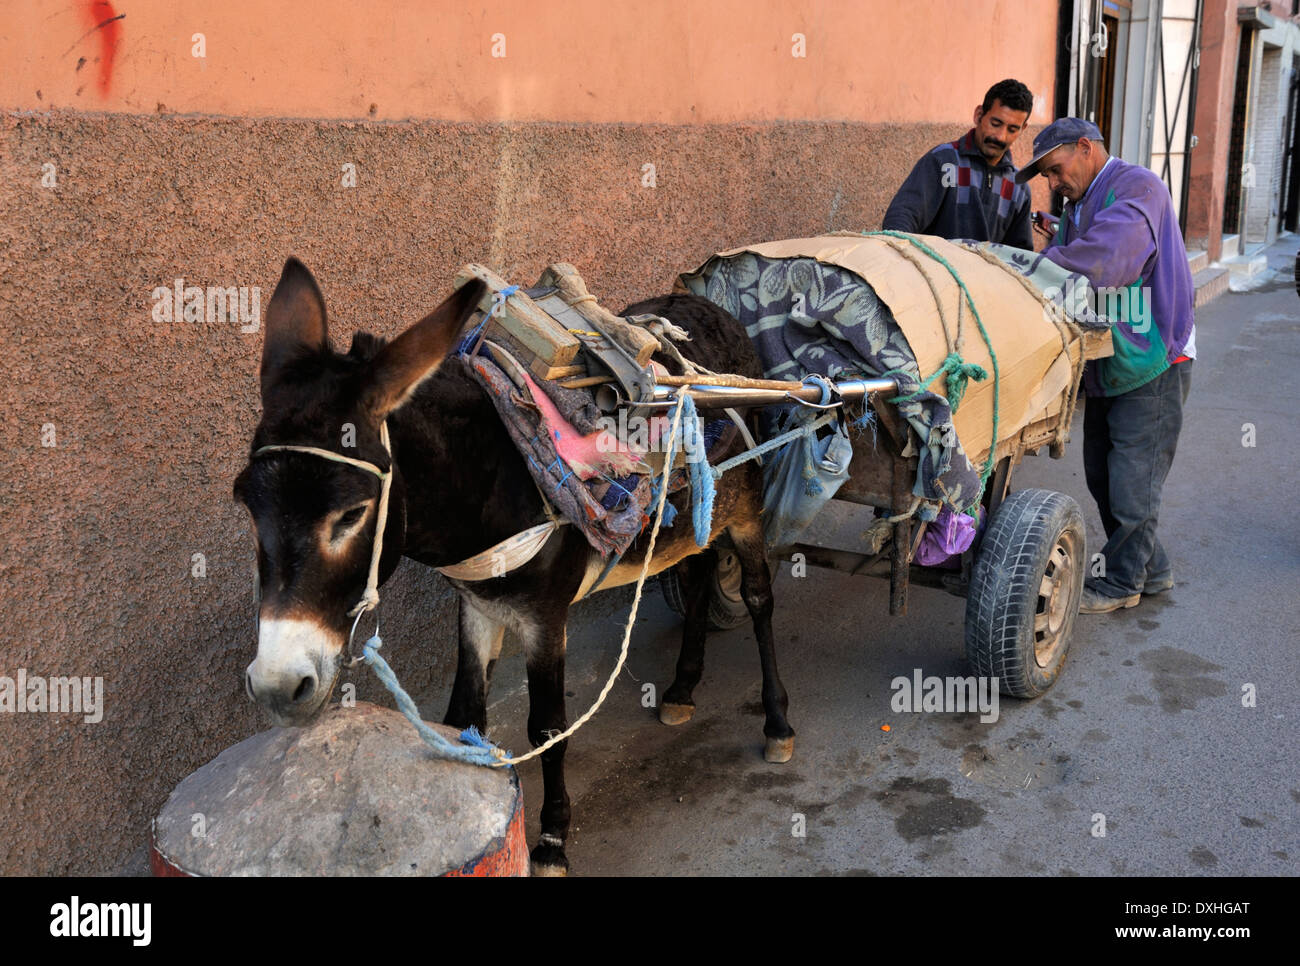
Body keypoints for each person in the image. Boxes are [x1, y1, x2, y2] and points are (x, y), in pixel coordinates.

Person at [1016, 118, 1196, 613]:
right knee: (1101, 473)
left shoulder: (1138, 186)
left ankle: (1123, 583)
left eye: (1055, 170)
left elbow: (1104, 263)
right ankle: (1150, 568)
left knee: (1133, 480)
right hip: (1111, 363)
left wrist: (1027, 267)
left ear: (1085, 148)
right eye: (1047, 178)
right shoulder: (1078, 205)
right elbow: (1078, 257)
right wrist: (1056, 237)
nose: (1053, 184)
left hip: (1154, 359)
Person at [882, 78, 1035, 249]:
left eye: (1012, 130)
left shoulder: (1019, 188)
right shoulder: (943, 161)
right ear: (979, 115)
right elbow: (902, 218)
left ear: (1023, 129)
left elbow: (1020, 256)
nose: (1000, 136)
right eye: (995, 123)